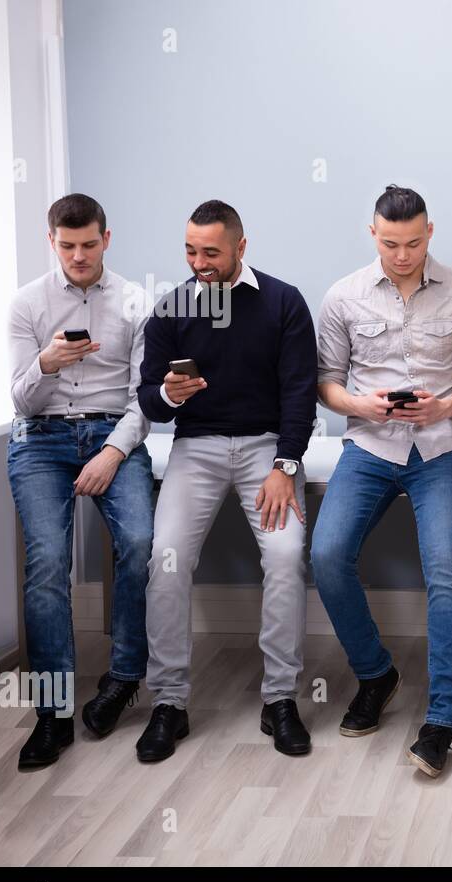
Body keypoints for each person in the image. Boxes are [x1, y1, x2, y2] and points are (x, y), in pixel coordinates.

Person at [310, 186, 452, 777]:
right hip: (369, 445)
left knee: (444, 572)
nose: (402, 254)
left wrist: (443, 408)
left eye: (412, 242)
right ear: (373, 234)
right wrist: (362, 402)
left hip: (439, 450)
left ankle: (443, 720)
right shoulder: (343, 296)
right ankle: (375, 673)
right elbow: (326, 381)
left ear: (429, 232)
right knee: (328, 555)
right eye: (390, 243)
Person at [135, 200, 318, 762]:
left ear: (241, 247)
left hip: (268, 447)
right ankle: (169, 701)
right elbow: (149, 402)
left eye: (211, 252)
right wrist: (170, 395)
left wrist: (286, 465)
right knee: (164, 554)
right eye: (190, 251)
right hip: (197, 447)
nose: (199, 263)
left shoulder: (283, 303)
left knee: (286, 554)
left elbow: (299, 393)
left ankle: (279, 698)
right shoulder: (171, 310)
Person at [8, 193, 153, 769]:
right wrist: (46, 364)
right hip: (39, 438)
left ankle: (122, 678)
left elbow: (146, 400)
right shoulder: (26, 303)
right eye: (67, 246)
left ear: (106, 238)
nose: (78, 255)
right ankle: (53, 712)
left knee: (141, 543)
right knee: (47, 561)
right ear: (52, 242)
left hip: (114, 434)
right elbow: (18, 399)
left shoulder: (137, 303)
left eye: (88, 244)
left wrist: (113, 451)